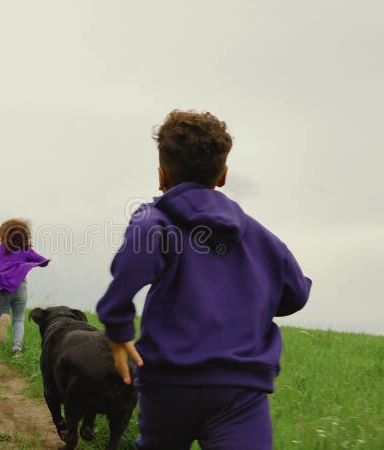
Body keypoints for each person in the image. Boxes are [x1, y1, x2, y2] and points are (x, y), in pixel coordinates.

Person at [96, 110, 312, 450]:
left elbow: (132, 265)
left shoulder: (155, 220)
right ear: (223, 174)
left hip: (168, 383)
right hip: (241, 388)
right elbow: (296, 294)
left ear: (161, 174)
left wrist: (118, 326)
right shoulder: (260, 237)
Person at [0, 218, 50, 356]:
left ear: (3, 235)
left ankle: (1, 321)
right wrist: (30, 263)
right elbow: (43, 261)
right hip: (20, 287)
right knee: (18, 319)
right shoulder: (26, 251)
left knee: (0, 317)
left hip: (1, 288)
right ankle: (17, 349)